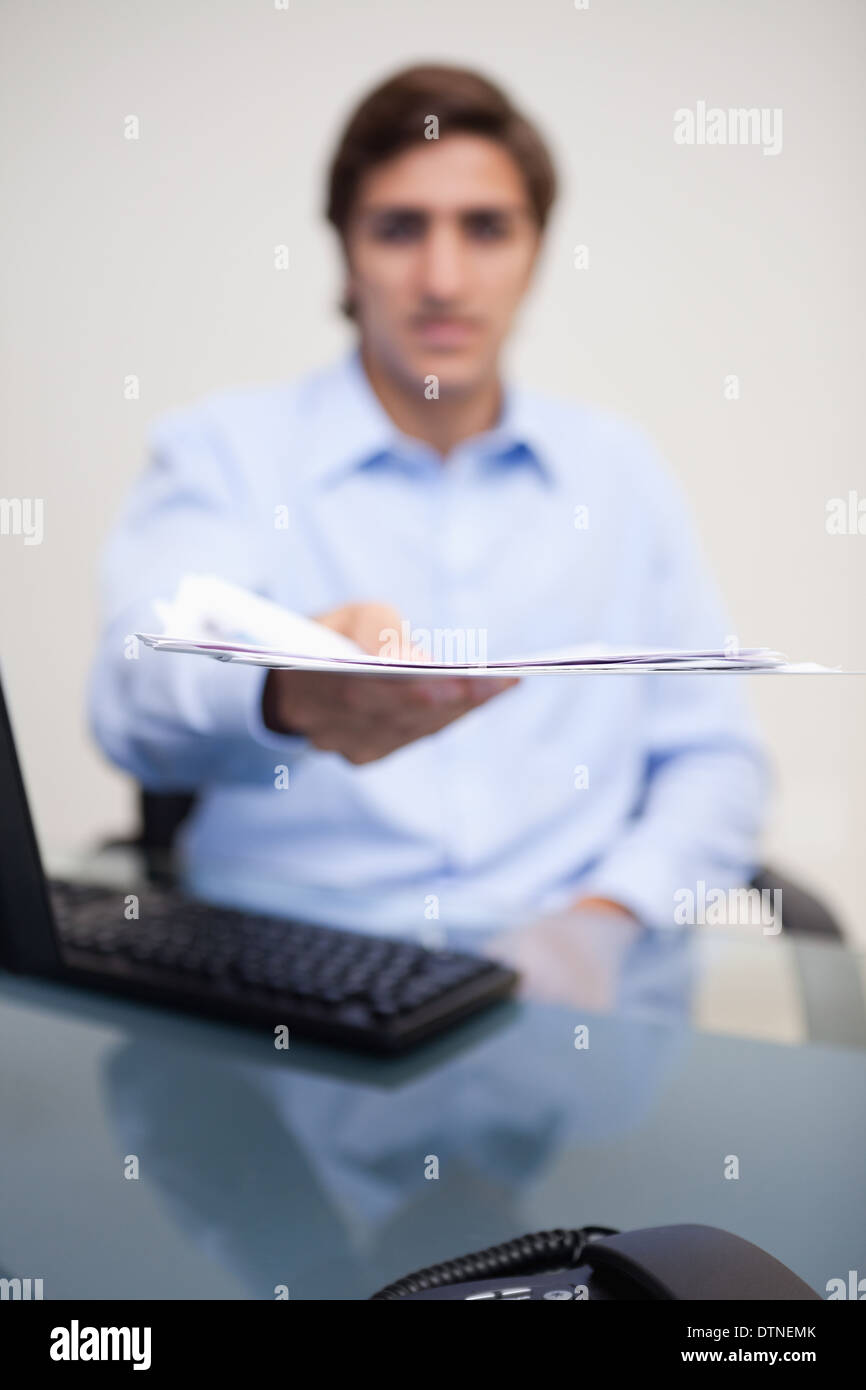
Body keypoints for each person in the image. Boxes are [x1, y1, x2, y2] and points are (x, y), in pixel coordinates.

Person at [89, 63, 768, 943]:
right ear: (345, 253)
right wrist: (285, 689)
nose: (443, 279)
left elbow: (714, 759)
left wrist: (606, 918)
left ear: (535, 253)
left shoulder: (621, 475)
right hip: (284, 988)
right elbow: (131, 693)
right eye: (400, 229)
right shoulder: (223, 449)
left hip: (564, 1001)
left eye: (486, 229)